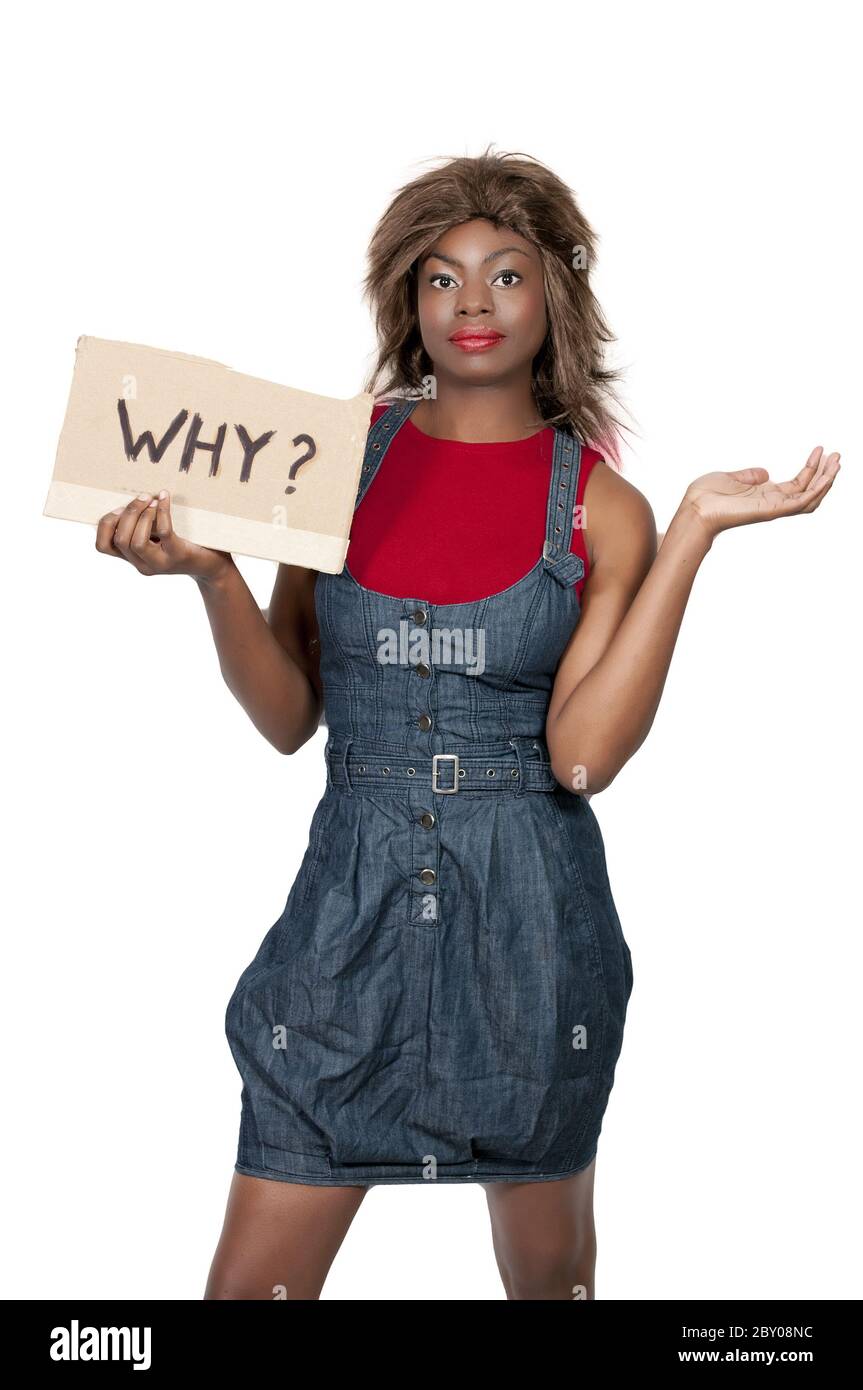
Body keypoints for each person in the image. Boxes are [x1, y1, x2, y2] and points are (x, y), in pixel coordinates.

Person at [94, 150, 840, 1300]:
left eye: (504, 273)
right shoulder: (327, 465)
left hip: (526, 926)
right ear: (408, 301)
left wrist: (689, 531)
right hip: (346, 916)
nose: (471, 302)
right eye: (440, 277)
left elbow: (580, 757)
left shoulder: (602, 507)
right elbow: (289, 718)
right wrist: (213, 573)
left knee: (550, 1282)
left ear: (552, 295)